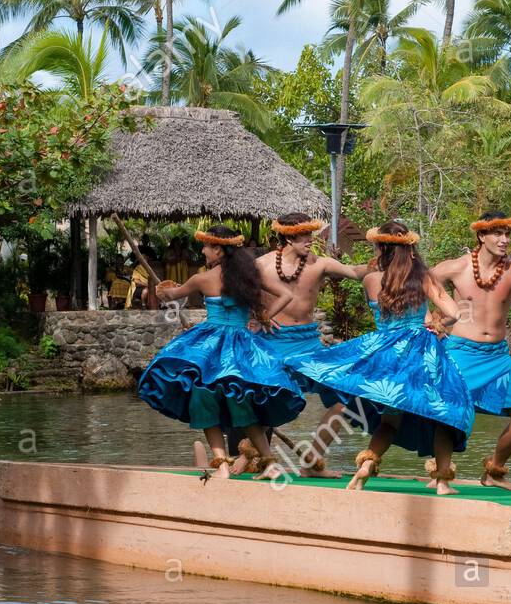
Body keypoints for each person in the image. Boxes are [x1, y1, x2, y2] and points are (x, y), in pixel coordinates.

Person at [294, 220, 474, 495]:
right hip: (421, 353)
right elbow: (453, 312)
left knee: (390, 420)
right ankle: (442, 482)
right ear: (410, 249)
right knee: (445, 412)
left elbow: (384, 314)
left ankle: (365, 468)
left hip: (385, 352)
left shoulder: (370, 280)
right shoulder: (422, 277)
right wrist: (436, 325)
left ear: (380, 247)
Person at [139, 226, 305, 478]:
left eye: (206, 246)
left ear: (218, 249)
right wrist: (263, 319)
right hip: (241, 347)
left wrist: (162, 290)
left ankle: (223, 466)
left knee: (204, 404)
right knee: (243, 406)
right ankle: (270, 464)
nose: (203, 251)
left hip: (211, 348)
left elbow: (171, 294)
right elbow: (285, 294)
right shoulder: (250, 277)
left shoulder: (202, 279)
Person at [430, 213, 511, 489]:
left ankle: (494, 472)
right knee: (451, 413)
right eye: (497, 234)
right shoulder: (457, 267)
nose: (504, 240)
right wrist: (435, 317)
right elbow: (423, 280)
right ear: (481, 236)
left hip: (497, 356)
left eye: (507, 234)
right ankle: (441, 477)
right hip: (460, 351)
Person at [254, 212, 370, 477]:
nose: (310, 240)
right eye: (305, 235)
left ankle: (312, 462)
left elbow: (354, 272)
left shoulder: (320, 264)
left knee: (344, 398)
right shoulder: (261, 265)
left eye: (310, 234)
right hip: (272, 343)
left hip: (309, 344)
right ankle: (263, 463)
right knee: (262, 401)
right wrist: (254, 317)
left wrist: (384, 262)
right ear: (288, 237)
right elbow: (239, 290)